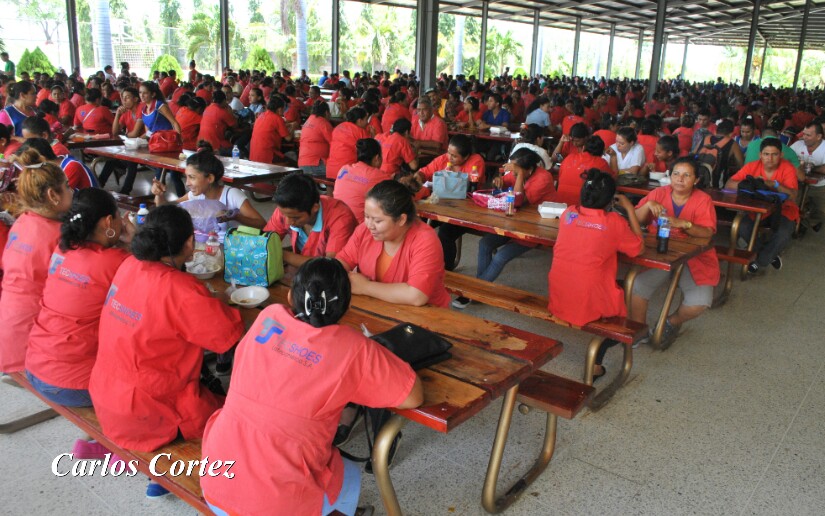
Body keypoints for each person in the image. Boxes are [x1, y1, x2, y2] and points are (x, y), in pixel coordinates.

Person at [200, 257, 422, 515]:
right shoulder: (354, 347)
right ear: (347, 306)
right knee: (348, 473)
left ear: (292, 297)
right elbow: (413, 396)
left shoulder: (268, 318)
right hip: (274, 504)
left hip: (216, 478)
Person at [88, 206, 243, 475]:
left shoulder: (130, 265)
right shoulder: (181, 290)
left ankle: (114, 450)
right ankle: (159, 475)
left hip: (105, 393)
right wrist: (218, 301)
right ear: (189, 243)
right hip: (149, 411)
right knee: (234, 417)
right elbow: (227, 335)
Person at [26, 188, 132, 408]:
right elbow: (156, 282)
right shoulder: (117, 262)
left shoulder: (63, 249)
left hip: (35, 366)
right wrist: (134, 242)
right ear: (108, 221)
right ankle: (100, 442)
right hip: (74, 384)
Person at [548, 169, 644, 378]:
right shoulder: (614, 222)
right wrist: (629, 209)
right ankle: (595, 364)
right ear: (611, 200)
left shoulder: (569, 214)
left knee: (607, 281)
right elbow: (638, 248)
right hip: (588, 299)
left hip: (559, 293)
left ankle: (597, 361)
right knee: (622, 325)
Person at [631, 158, 719, 348]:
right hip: (661, 252)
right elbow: (636, 219)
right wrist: (647, 206)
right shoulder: (658, 193)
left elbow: (707, 233)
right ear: (669, 176)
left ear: (696, 180)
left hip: (694, 256)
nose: (680, 179)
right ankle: (640, 330)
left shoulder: (703, 200)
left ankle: (672, 322)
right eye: (676, 174)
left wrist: (684, 224)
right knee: (637, 286)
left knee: (699, 303)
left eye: (687, 175)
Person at [452, 148, 556, 309]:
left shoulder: (543, 178)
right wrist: (499, 180)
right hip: (512, 222)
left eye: (517, 171)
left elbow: (518, 201)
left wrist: (519, 174)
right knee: (484, 244)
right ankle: (480, 289)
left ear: (528, 170)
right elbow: (504, 180)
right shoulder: (518, 170)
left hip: (534, 229)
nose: (513, 173)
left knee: (500, 257)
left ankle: (473, 292)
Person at [0, 149, 73, 372]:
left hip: (8, 329)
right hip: (32, 344)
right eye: (68, 187)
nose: (72, 192)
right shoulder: (60, 235)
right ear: (53, 195)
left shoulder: (23, 221)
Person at [336, 180, 451, 307]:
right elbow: (343, 260)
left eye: (378, 221)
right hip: (380, 308)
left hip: (425, 315)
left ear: (401, 219)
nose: (369, 225)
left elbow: (417, 295)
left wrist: (365, 287)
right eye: (367, 216)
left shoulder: (425, 240)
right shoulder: (364, 231)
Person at [152, 142, 266, 237]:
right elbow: (167, 208)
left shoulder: (232, 195)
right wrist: (159, 195)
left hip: (230, 250)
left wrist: (235, 216)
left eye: (192, 177)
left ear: (210, 178)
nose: (187, 183)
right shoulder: (196, 195)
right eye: (186, 177)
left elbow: (261, 223)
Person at [726, 138, 799, 274]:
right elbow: (729, 184)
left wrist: (775, 184)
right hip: (757, 209)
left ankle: (761, 260)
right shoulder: (752, 166)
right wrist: (752, 183)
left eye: (774, 154)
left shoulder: (788, 168)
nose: (769, 158)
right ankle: (768, 256)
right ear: (760, 155)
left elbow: (793, 196)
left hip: (783, 210)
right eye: (766, 154)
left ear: (781, 155)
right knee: (743, 227)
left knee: (783, 232)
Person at [264, 172, 357, 267]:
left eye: (296, 217)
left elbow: (331, 266)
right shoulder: (287, 210)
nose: (288, 222)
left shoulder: (340, 218)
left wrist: (280, 254)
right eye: (284, 215)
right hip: (305, 271)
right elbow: (264, 242)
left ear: (315, 208)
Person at [334, 138, 393, 223]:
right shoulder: (378, 175)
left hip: (338, 220)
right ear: (377, 158)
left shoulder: (344, 169)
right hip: (360, 227)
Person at [17, 138, 98, 190]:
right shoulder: (56, 164)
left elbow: (55, 199)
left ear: (42, 159)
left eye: (29, 166)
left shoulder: (71, 167)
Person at [556, 135, 611, 205]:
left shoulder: (569, 157)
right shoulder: (601, 163)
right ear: (602, 153)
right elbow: (613, 181)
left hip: (560, 203)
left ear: (583, 147)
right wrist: (614, 157)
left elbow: (560, 175)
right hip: (582, 205)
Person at [326, 107, 371, 179]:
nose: (367, 122)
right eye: (366, 119)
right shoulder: (361, 132)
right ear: (359, 121)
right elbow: (370, 151)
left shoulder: (338, 127)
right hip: (347, 172)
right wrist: (373, 135)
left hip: (330, 170)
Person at [249, 96, 293, 164]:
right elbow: (288, 138)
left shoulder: (261, 115)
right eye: (283, 108)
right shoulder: (277, 118)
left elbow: (271, 127)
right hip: (267, 156)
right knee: (293, 164)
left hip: (253, 156)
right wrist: (293, 126)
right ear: (279, 109)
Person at [299, 100, 334, 177]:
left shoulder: (309, 120)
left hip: (303, 163)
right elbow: (335, 144)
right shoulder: (323, 123)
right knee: (341, 171)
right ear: (326, 112)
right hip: (316, 164)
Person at [198, 90, 238, 154]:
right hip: (215, 145)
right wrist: (230, 111)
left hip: (201, 143)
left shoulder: (207, 108)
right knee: (238, 151)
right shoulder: (222, 111)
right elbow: (235, 126)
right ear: (224, 100)